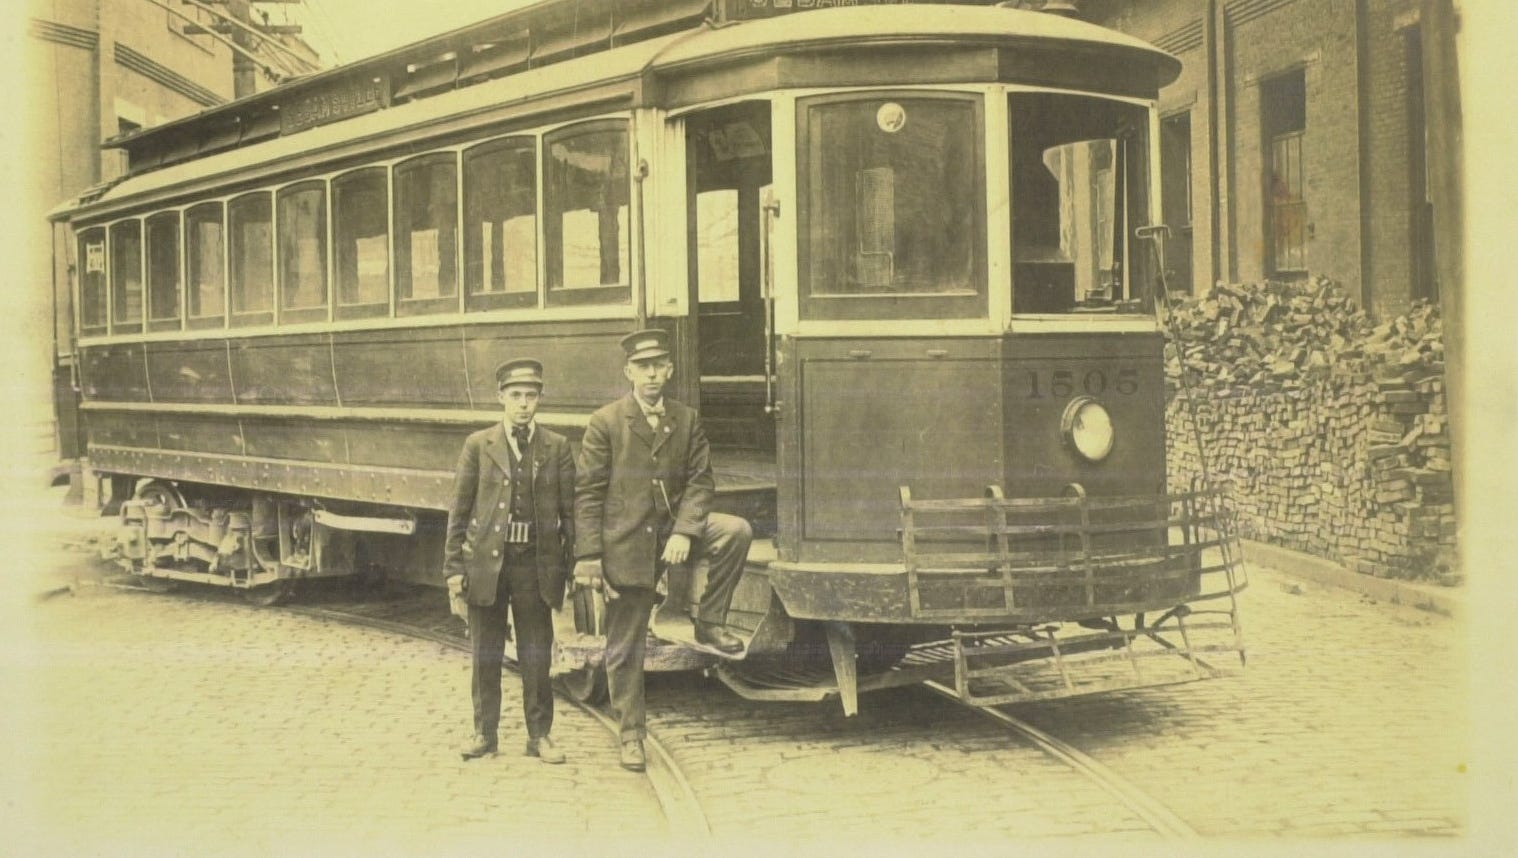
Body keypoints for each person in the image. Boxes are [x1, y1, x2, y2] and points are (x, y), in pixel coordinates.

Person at [573, 328, 752, 772]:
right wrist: (589, 557)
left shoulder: (686, 420)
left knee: (735, 531)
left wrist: (686, 531)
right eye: (643, 367)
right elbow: (588, 494)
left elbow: (700, 481)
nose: (651, 374)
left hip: (672, 531)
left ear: (670, 370)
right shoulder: (606, 422)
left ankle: (709, 623)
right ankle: (631, 734)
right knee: (625, 644)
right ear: (628, 372)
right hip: (627, 542)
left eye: (658, 366)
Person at [443, 358, 575, 764]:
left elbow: (570, 513)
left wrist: (572, 567)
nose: (523, 403)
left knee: (536, 653)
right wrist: (453, 569)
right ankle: (484, 733)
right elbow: (459, 511)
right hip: (486, 566)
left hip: (535, 564)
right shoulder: (478, 445)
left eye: (530, 395)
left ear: (540, 399)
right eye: (515, 395)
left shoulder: (557, 447)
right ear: (500, 397)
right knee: (486, 653)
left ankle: (540, 736)